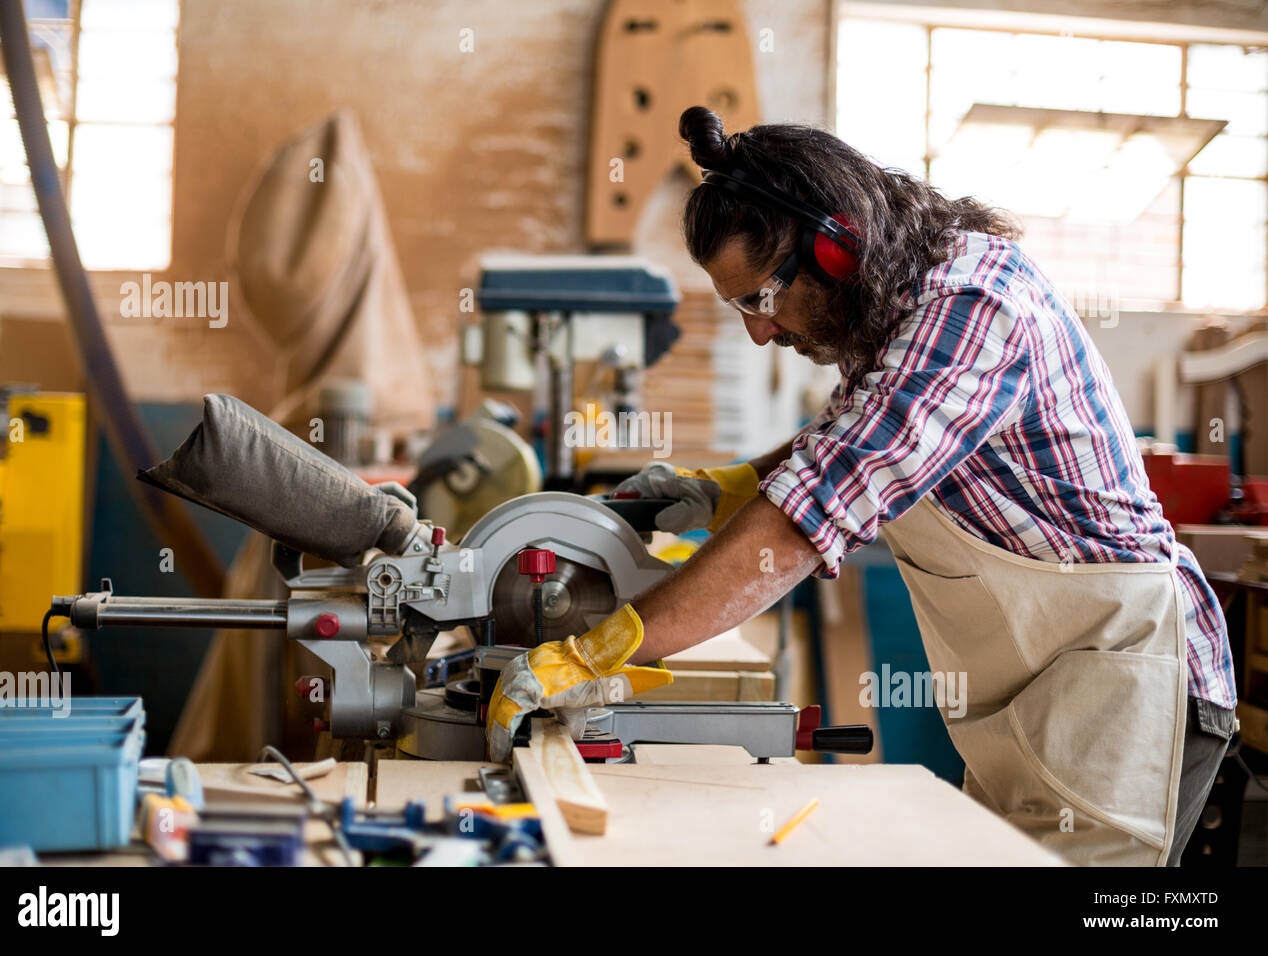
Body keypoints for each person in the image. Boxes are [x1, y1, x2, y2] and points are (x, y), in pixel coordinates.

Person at [487, 105, 1237, 866]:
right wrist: (725, 488)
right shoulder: (888, 314)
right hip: (1045, 703)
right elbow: (841, 443)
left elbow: (808, 515)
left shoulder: (974, 304)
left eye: (760, 298)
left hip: (1127, 684)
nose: (759, 331)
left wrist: (593, 655)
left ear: (836, 248)